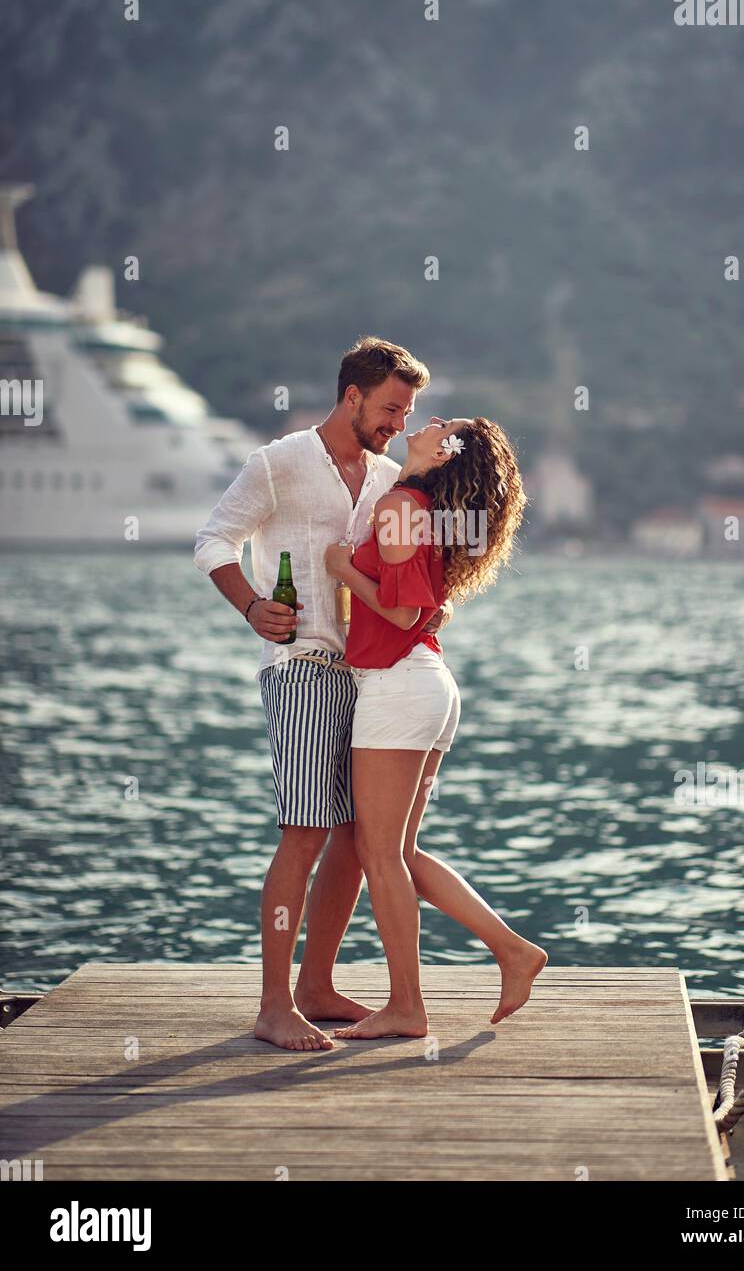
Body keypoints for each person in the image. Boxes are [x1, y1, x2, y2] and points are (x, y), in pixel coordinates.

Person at [193, 337, 451, 1052]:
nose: (397, 422)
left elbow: (397, 569)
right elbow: (214, 542)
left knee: (353, 840)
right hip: (303, 668)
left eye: (406, 412)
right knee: (304, 833)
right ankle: (275, 1005)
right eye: (391, 409)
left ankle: (316, 984)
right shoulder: (277, 462)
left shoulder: (387, 476)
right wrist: (250, 604)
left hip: (369, 676)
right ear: (352, 396)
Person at [323, 415, 547, 1039]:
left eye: (439, 424)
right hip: (424, 683)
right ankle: (513, 952)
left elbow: (399, 612)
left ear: (445, 450)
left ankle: (406, 1007)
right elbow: (425, 604)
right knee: (398, 852)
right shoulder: (425, 509)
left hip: (399, 684)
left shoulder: (402, 503)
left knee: (380, 853)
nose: (423, 422)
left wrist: (342, 567)